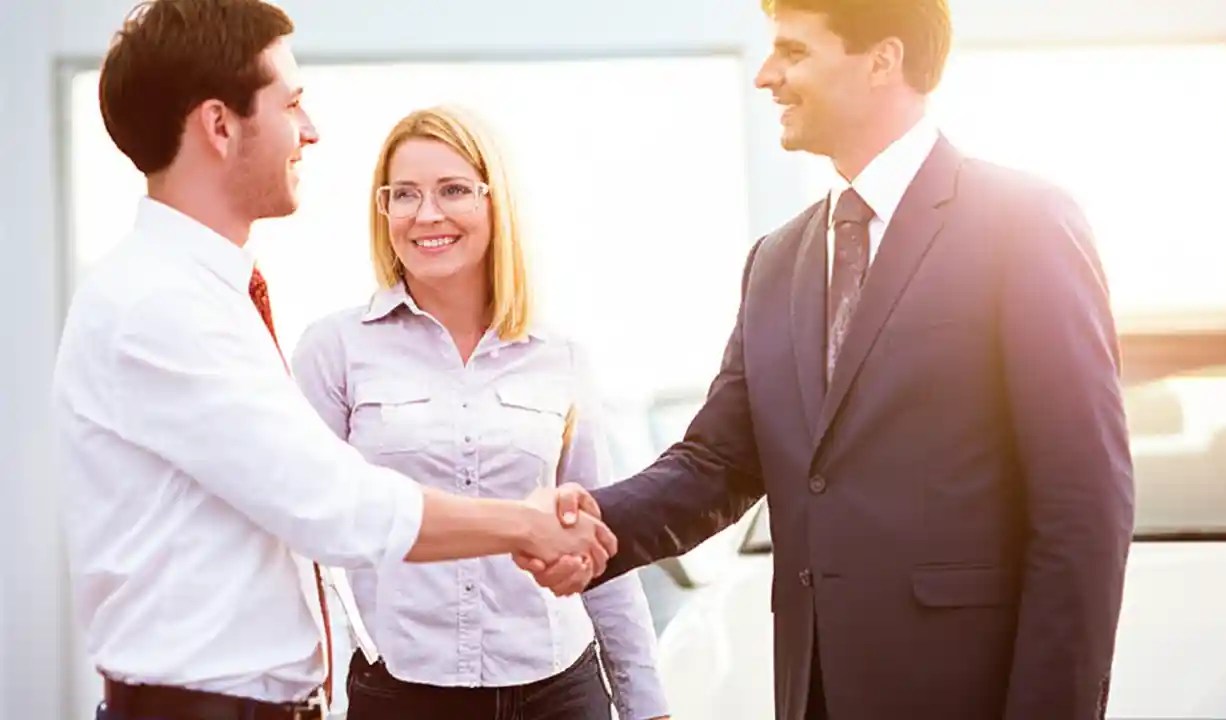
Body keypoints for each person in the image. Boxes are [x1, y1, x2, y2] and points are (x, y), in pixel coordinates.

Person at [522, 1, 1136, 718]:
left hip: (968, 691)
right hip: (814, 690)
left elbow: (1083, 507)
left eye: (794, 52)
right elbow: (719, 462)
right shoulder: (777, 260)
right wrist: (592, 520)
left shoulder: (1024, 222)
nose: (766, 76)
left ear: (883, 60)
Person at [51, 3, 612, 719]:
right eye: (291, 104)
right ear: (220, 126)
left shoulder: (205, 295)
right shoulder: (156, 307)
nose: (309, 131)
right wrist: (525, 524)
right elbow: (336, 507)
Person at [290, 105, 670, 720]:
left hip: (560, 692)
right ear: (382, 209)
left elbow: (605, 546)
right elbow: (303, 539)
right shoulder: (334, 349)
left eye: (454, 190)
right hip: (400, 693)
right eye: (404, 194)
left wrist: (646, 706)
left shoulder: (561, 357)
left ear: (495, 203)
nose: (427, 214)